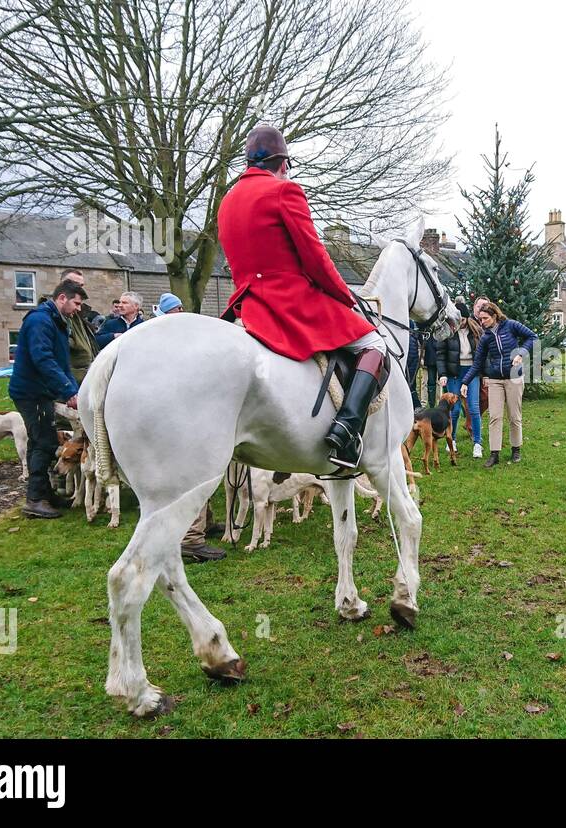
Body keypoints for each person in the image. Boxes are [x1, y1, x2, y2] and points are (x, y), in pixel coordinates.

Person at [217, 125, 386, 470]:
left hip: (246, 304)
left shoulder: (228, 201)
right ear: (282, 163)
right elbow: (314, 257)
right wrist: (345, 296)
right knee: (374, 344)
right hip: (289, 299)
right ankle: (347, 429)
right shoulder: (284, 191)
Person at [148, 292, 226, 560]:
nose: (181, 311)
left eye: (182, 306)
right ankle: (191, 539)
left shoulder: (166, 335)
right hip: (179, 415)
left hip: (179, 412)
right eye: (176, 308)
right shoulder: (164, 339)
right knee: (197, 473)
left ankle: (204, 523)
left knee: (207, 470)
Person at [8, 280, 85, 519]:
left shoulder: (56, 321)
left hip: (41, 391)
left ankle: (44, 493)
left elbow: (61, 362)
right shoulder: (40, 321)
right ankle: (35, 500)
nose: (78, 309)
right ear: (62, 298)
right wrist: (68, 391)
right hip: (32, 393)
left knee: (40, 442)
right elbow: (43, 360)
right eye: (76, 303)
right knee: (43, 443)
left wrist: (72, 389)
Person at [460, 302, 537, 467]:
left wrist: (521, 353)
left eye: (485, 318)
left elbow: (533, 337)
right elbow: (477, 363)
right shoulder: (486, 337)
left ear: (494, 316)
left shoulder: (511, 325)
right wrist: (465, 382)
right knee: (495, 417)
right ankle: (494, 454)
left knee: (514, 416)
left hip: (514, 378)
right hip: (495, 380)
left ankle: (516, 449)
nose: (482, 322)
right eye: (480, 319)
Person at [442, 304, 485, 458]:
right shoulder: (448, 331)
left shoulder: (476, 332)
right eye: (458, 319)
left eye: (463, 319)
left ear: (467, 319)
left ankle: (478, 443)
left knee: (473, 408)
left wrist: (483, 375)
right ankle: (451, 439)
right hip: (454, 373)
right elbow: (441, 354)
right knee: (454, 409)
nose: (460, 322)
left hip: (472, 372)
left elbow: (482, 355)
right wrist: (442, 374)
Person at [58, 269, 101, 383]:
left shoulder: (78, 312)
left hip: (84, 378)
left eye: (81, 285)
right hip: (68, 381)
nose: (80, 289)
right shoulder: (56, 312)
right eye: (76, 285)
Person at [406, 322, 421, 410]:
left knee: (410, 386)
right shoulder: (413, 338)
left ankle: (416, 406)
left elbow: (410, 356)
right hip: (412, 365)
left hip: (409, 366)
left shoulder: (409, 339)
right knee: (411, 386)